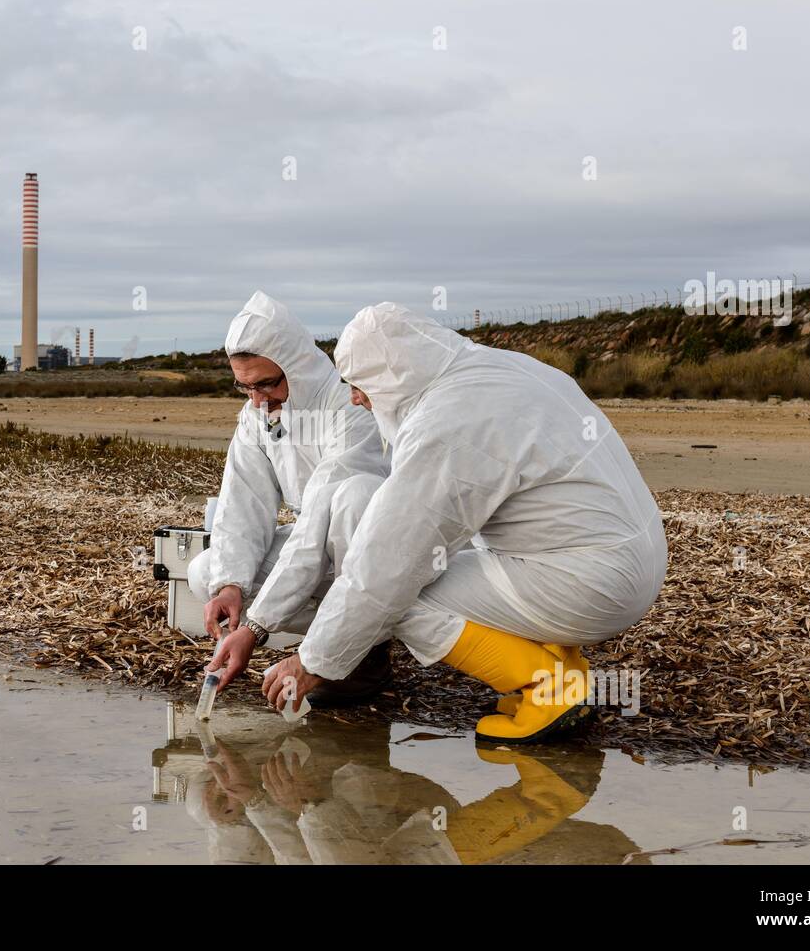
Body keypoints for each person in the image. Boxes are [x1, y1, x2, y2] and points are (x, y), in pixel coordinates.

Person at [259, 302, 668, 744]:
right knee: (443, 562)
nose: (355, 398)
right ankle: (564, 669)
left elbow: (384, 570)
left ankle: (547, 687)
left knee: (399, 594)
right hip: (626, 561)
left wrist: (312, 661)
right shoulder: (503, 369)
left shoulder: (446, 419)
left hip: (592, 582)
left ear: (391, 375)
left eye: (359, 384)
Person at [190, 291, 391, 705]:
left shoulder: (348, 405)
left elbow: (319, 525)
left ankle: (363, 653)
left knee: (354, 497)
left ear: (295, 365)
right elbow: (242, 505)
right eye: (245, 387)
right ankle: (336, 639)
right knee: (205, 571)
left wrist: (256, 628)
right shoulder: (257, 415)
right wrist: (231, 585)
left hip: (371, 554)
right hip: (314, 549)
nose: (258, 399)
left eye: (266, 383)